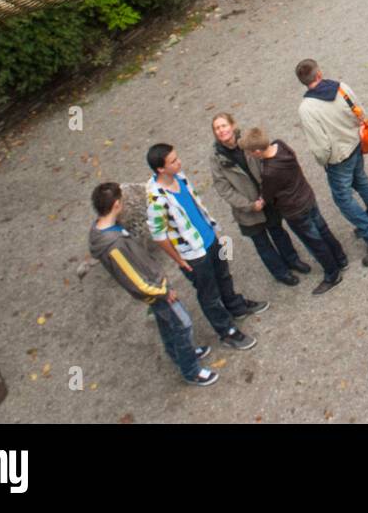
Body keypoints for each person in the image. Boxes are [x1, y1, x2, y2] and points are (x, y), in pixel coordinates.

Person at [90, 182, 218, 386]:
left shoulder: (105, 230)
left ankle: (177, 353)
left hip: (154, 286)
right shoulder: (113, 244)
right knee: (183, 324)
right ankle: (191, 369)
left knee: (167, 324)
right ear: (116, 205)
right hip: (156, 290)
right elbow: (133, 279)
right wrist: (163, 292)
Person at [146, 144, 263, 350]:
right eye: (173, 161)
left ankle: (235, 306)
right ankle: (226, 331)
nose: (178, 162)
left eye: (177, 157)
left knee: (224, 276)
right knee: (209, 294)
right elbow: (158, 235)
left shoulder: (180, 178)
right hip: (193, 254)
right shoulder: (156, 200)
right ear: (160, 169)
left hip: (210, 238)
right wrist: (180, 260)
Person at [296, 58, 368, 266]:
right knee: (361, 181)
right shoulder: (341, 88)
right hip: (356, 144)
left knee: (343, 198)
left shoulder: (307, 108)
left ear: (303, 81)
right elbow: (359, 112)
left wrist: (324, 161)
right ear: (319, 73)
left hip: (338, 157)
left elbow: (320, 146)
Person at [241, 127, 349, 295]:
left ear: (256, 152)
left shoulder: (269, 172)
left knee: (315, 242)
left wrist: (261, 201)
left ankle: (332, 274)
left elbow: (268, 195)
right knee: (323, 230)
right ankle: (341, 258)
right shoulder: (280, 145)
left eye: (249, 152)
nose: (248, 155)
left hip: (295, 211)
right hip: (307, 197)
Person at [209, 112, 311, 286]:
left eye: (224, 125)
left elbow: (267, 161)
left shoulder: (248, 142)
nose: (221, 130)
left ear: (233, 125)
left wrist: (266, 195)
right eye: (217, 128)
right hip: (247, 211)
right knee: (262, 243)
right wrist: (249, 205)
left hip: (267, 200)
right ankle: (281, 272)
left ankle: (292, 260)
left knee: (279, 232)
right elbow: (224, 189)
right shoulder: (216, 158)